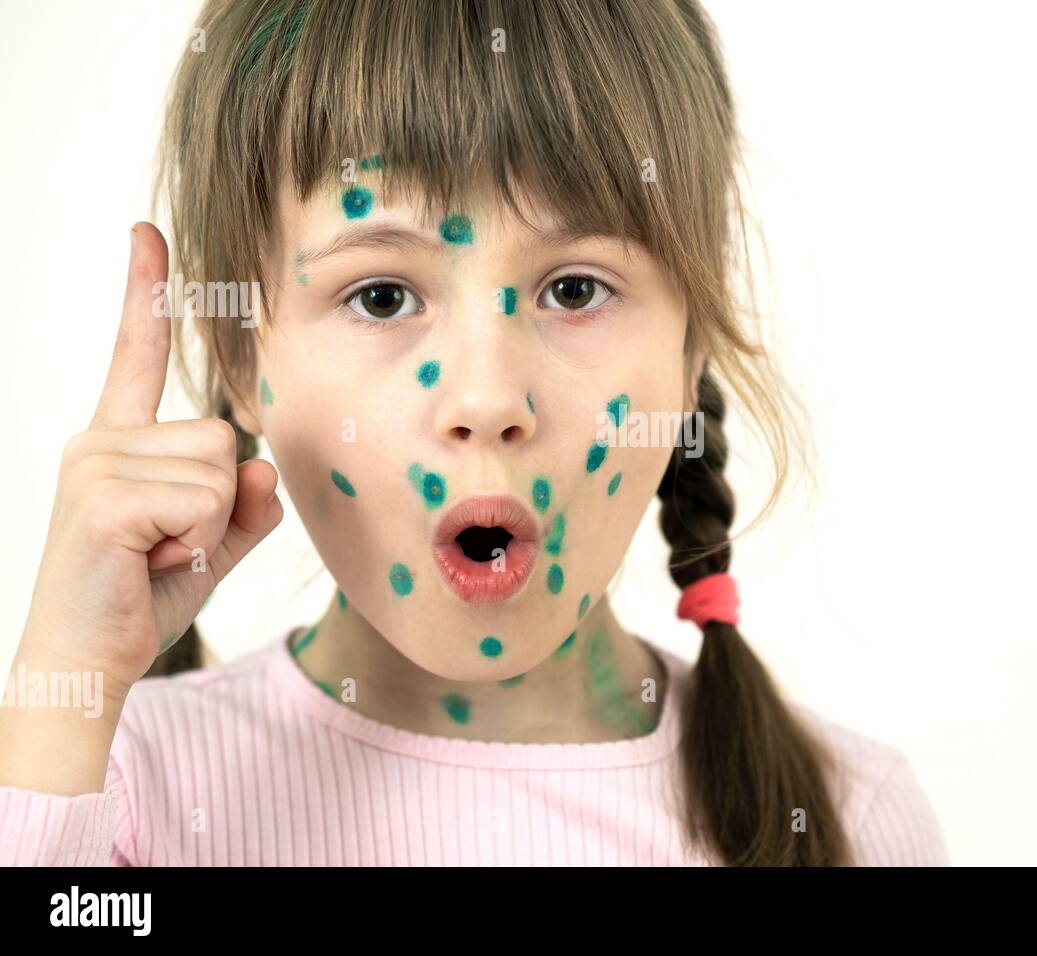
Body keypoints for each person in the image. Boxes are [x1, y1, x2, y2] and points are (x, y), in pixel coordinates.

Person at [0, 0, 948, 866]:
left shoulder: (850, 818)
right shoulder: (114, 795)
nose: (489, 398)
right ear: (245, 358)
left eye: (575, 289)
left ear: (693, 341)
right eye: (380, 294)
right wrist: (61, 687)